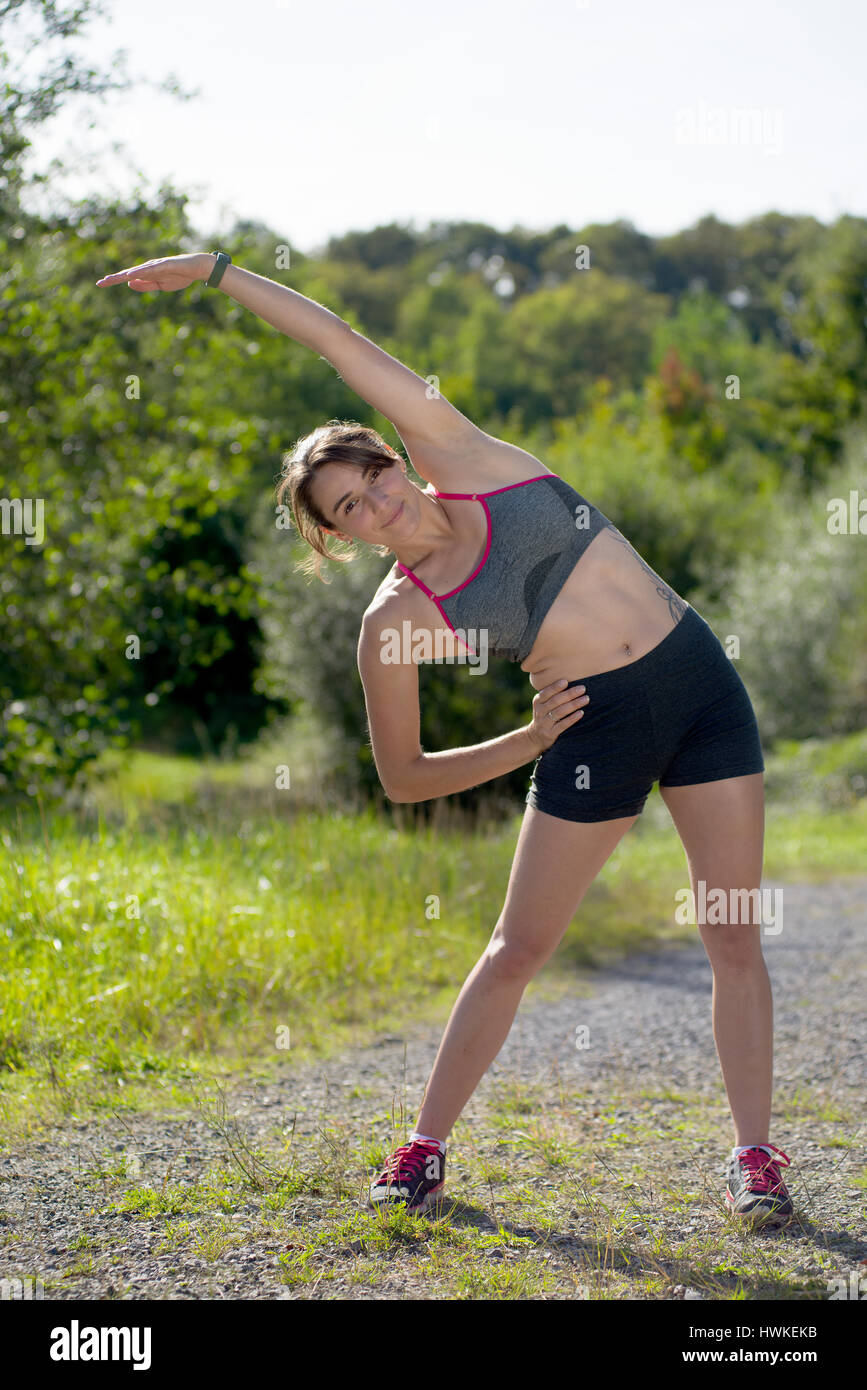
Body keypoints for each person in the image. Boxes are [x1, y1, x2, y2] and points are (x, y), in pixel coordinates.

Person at [96, 251, 794, 1226]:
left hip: (700, 684)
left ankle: (755, 1157)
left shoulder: (464, 457)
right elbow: (407, 778)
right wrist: (529, 735)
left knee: (731, 932)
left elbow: (335, 343)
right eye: (349, 508)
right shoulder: (396, 620)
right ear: (340, 536)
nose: (379, 501)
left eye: (373, 475)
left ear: (392, 451)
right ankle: (424, 1149)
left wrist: (220, 274)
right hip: (595, 727)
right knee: (517, 946)